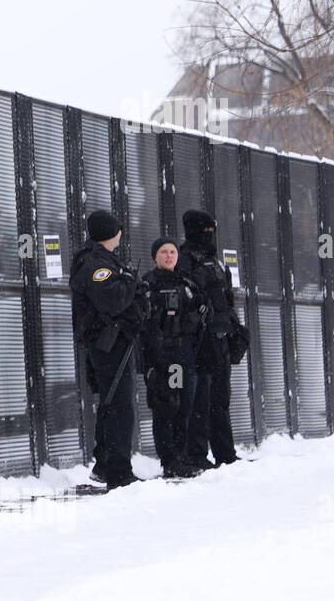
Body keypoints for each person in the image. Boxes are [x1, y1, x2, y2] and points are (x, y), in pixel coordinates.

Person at [69, 210, 149, 489]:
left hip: (113, 340)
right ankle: (117, 470)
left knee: (112, 402)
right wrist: (130, 283)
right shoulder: (97, 263)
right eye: (118, 230)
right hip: (109, 342)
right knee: (119, 405)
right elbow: (113, 301)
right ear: (111, 233)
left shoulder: (102, 261)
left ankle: (106, 464)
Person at [177, 209, 250, 469]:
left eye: (211, 230)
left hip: (220, 336)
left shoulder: (215, 261)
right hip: (200, 339)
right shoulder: (185, 260)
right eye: (204, 230)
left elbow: (226, 298)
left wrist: (235, 328)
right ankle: (197, 453)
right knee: (201, 399)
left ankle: (224, 452)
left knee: (220, 397)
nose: (209, 235)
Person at [140, 237, 207, 478]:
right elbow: (146, 325)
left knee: (186, 404)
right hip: (162, 353)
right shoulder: (149, 284)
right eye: (164, 252)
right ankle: (169, 459)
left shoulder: (187, 283)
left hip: (185, 352)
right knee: (166, 405)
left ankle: (182, 454)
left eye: (172, 252)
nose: (169, 256)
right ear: (155, 256)